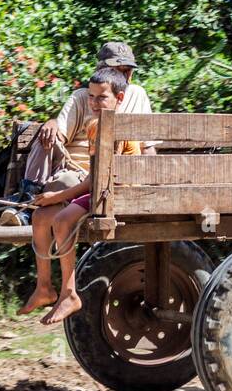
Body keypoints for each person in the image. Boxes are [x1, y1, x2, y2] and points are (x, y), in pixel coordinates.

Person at [17, 67, 141, 325]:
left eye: (101, 97)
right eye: (91, 97)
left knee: (62, 220)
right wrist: (52, 200)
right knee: (41, 216)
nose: (94, 103)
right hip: (99, 191)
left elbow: (95, 182)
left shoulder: (114, 128)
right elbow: (93, 179)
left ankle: (70, 293)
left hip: (116, 194)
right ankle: (44, 288)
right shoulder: (95, 125)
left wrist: (57, 196)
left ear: (119, 99)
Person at [0, 41, 156, 225]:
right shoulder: (83, 97)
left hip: (115, 179)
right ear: (101, 70)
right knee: (47, 136)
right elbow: (59, 133)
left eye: (128, 71)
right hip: (77, 172)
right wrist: (52, 124)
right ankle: (27, 201)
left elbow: (147, 147)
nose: (124, 76)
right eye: (118, 70)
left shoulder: (137, 94)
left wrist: (155, 189)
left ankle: (27, 205)